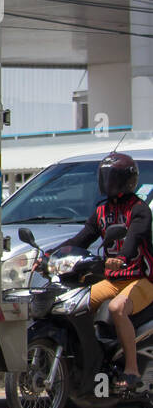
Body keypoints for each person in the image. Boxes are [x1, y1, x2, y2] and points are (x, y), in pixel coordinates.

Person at [56, 152, 152, 394]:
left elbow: (133, 240)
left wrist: (121, 258)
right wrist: (50, 256)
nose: (107, 183)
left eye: (113, 177)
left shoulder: (139, 210)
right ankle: (92, 356)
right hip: (112, 280)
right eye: (105, 177)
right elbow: (81, 239)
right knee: (73, 303)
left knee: (117, 308)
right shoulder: (101, 211)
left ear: (126, 180)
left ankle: (131, 369)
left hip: (143, 278)